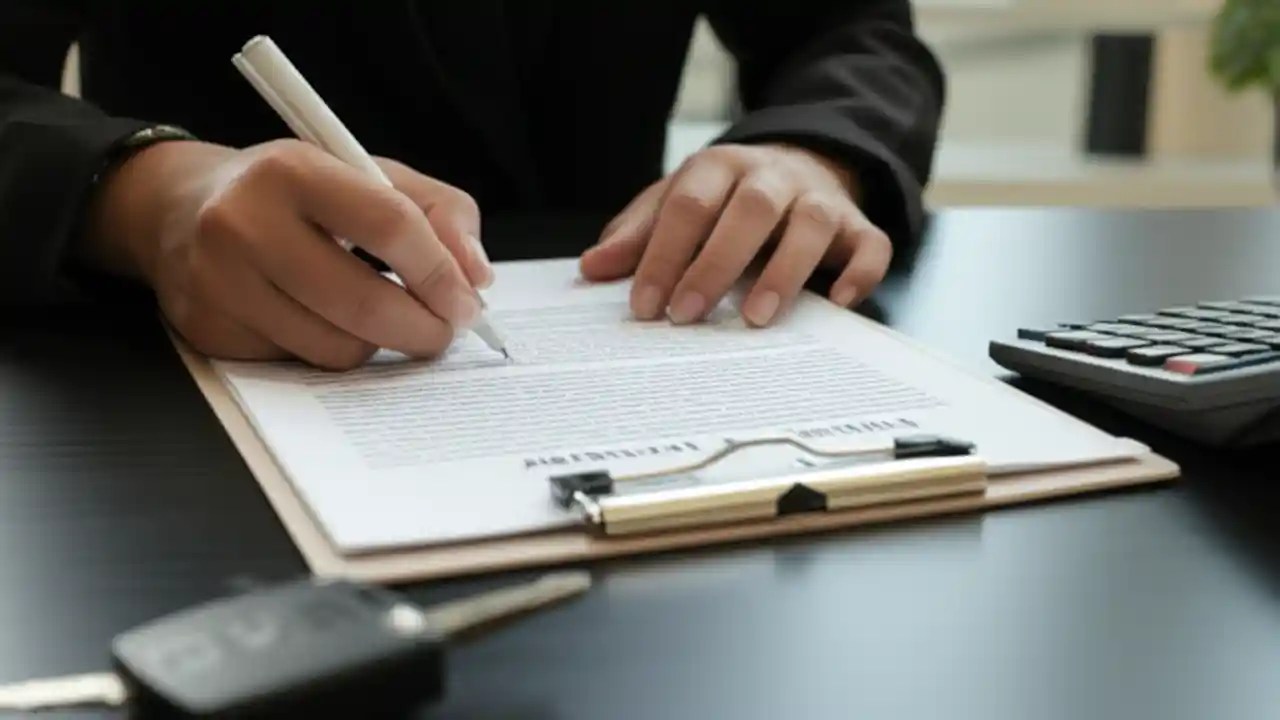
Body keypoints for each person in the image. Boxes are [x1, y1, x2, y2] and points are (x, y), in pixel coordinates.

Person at [0, 3, 945, 370]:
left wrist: (810, 150)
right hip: (178, 383)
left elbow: (852, 30)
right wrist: (142, 193)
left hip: (617, 316)